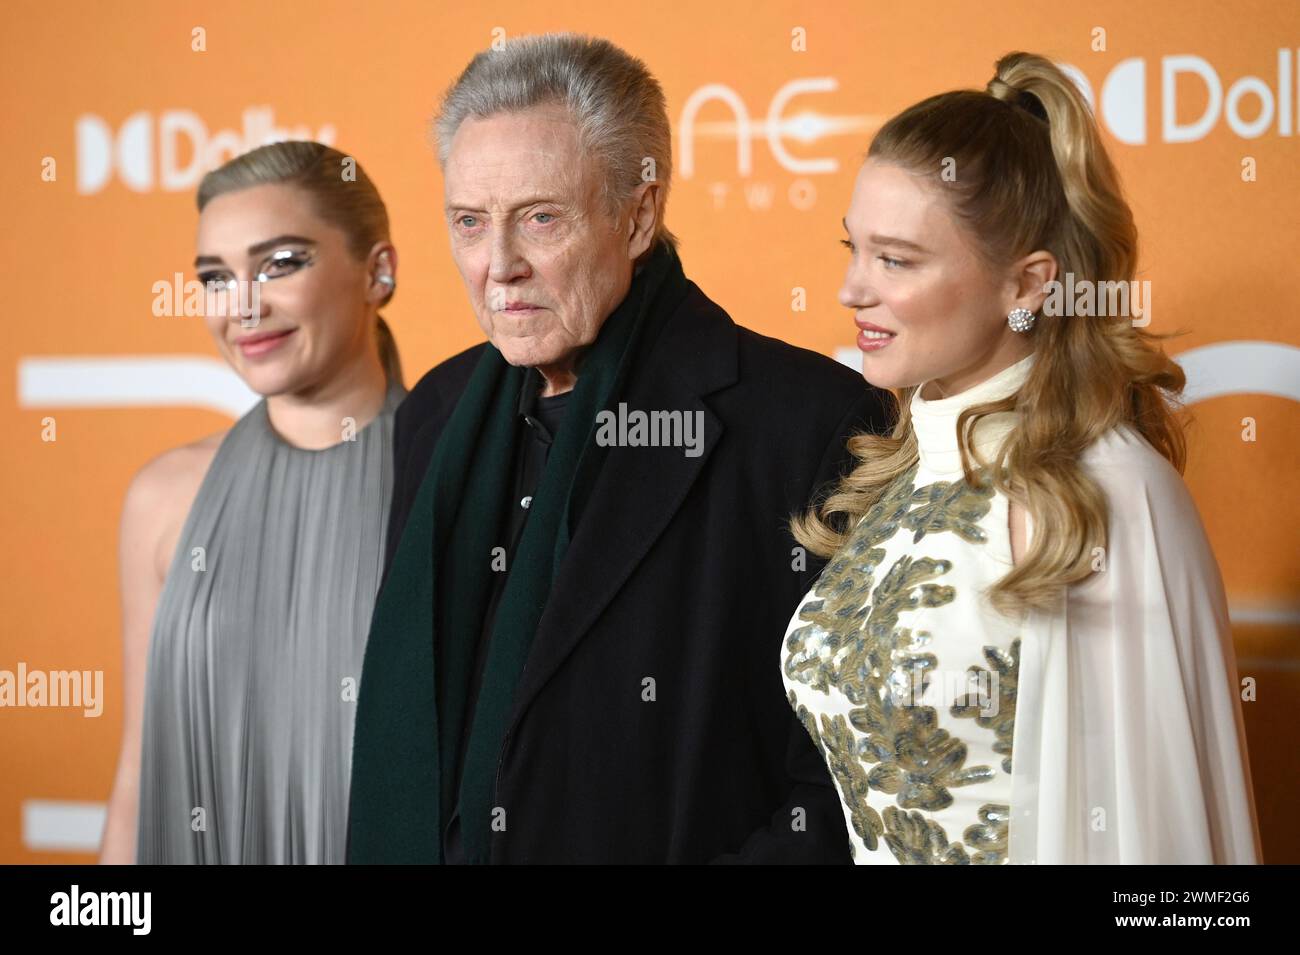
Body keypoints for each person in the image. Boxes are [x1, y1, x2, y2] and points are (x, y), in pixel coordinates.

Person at [345, 32, 892, 864]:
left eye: (540, 218)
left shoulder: (809, 421)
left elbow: (841, 788)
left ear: (638, 214)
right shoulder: (436, 412)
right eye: (468, 222)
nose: (499, 266)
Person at [782, 52, 1261, 864]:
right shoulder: (895, 475)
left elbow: (1156, 855)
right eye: (853, 248)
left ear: (1028, 285)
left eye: (896, 259)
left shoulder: (1103, 494)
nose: (852, 289)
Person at [99, 141, 407, 863]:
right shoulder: (164, 496)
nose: (242, 306)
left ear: (378, 270)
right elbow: (138, 775)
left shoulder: (454, 484)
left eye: (281, 263)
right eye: (215, 276)